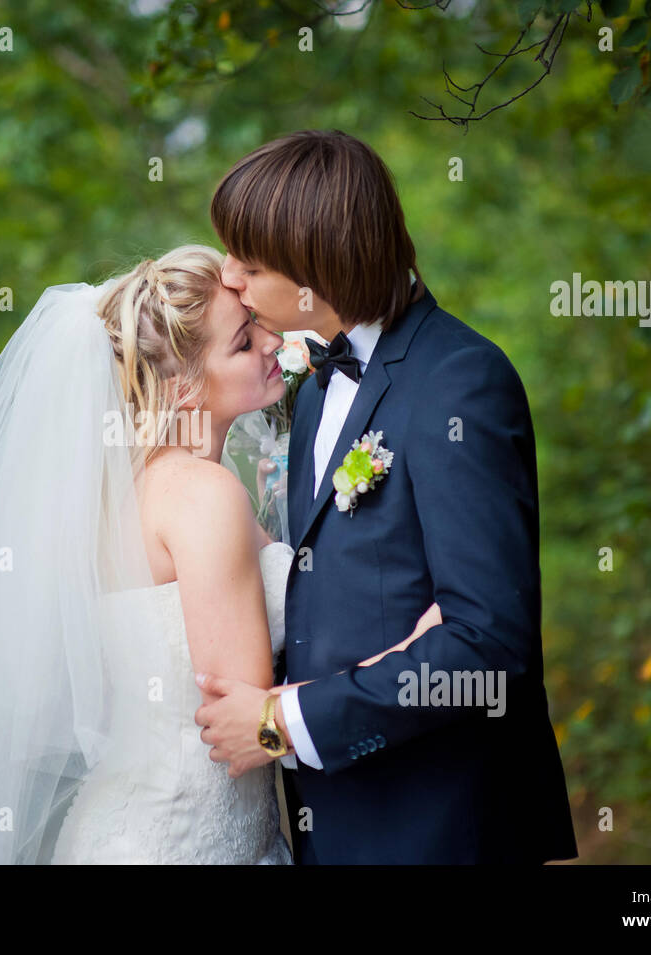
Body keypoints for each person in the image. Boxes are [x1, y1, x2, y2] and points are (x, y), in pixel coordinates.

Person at [0, 243, 439, 864]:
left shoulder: (122, 494)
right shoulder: (201, 495)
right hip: (180, 839)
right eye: (242, 342)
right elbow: (245, 720)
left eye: (255, 325)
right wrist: (413, 651)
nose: (272, 342)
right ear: (180, 388)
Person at [194, 129, 579, 864]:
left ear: (316, 266)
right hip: (328, 821)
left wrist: (283, 719)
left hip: (437, 825)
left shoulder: (458, 382)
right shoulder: (311, 391)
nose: (230, 278)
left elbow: (486, 645)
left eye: (249, 262)